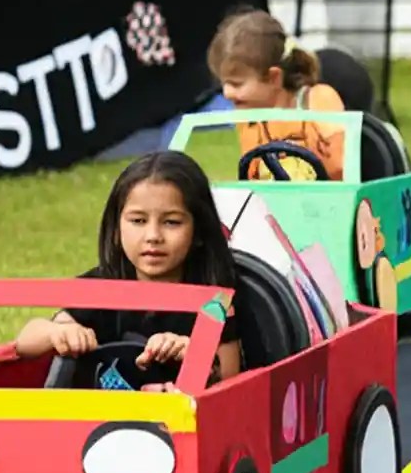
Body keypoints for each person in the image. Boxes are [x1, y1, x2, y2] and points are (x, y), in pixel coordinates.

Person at [14, 151, 242, 389]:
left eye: (171, 222)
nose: (153, 236)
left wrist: (194, 355)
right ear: (116, 228)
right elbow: (25, 342)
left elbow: (229, 384)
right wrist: (56, 333)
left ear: (199, 231)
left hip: (177, 421)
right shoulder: (103, 287)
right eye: (138, 221)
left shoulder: (215, 300)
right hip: (101, 421)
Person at [207, 8, 348, 181]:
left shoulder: (317, 100)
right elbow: (251, 177)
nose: (227, 93)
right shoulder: (249, 119)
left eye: (237, 84)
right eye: (224, 83)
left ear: (274, 78)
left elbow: (341, 167)